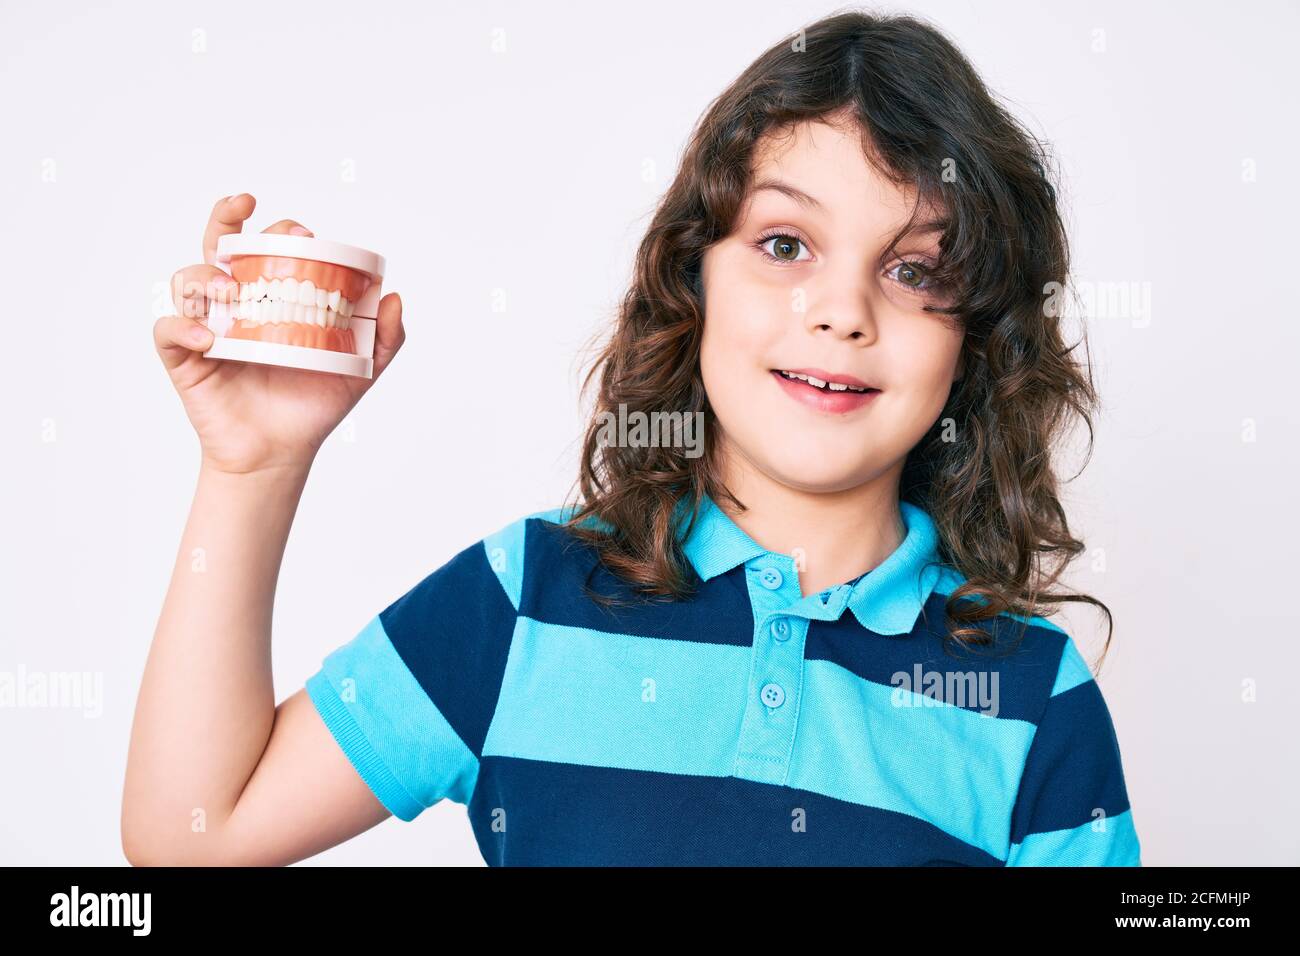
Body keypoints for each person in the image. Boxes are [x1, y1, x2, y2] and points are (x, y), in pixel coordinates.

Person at [123, 10, 1140, 866]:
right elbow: (188, 835)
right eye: (784, 244)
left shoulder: (1033, 694)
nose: (842, 309)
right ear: (694, 275)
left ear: (975, 339)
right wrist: (250, 465)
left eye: (914, 269)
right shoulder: (525, 599)